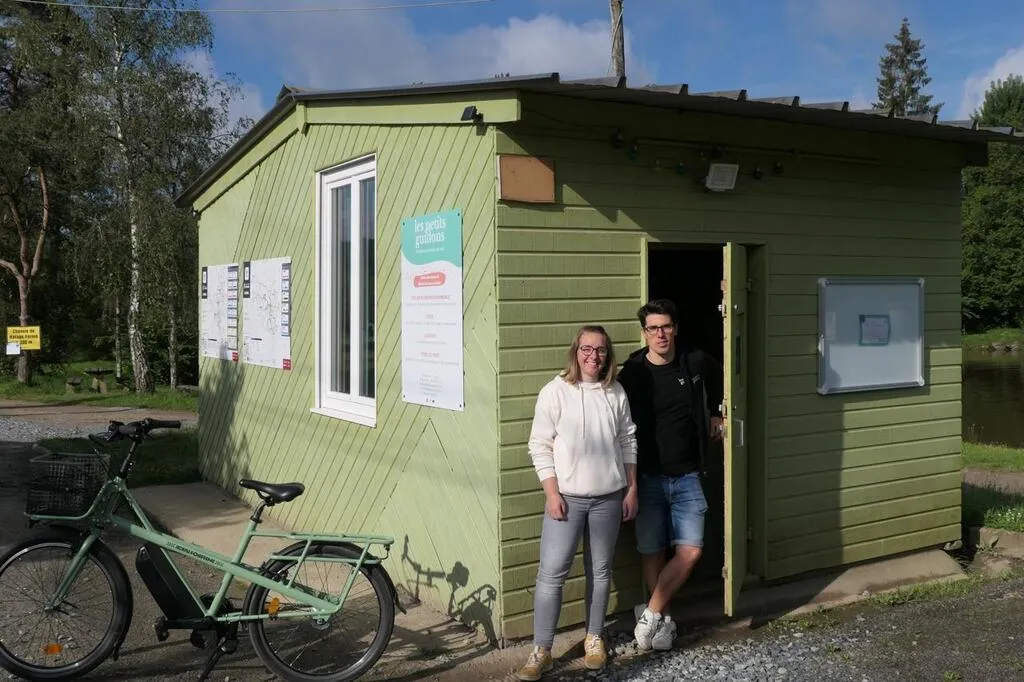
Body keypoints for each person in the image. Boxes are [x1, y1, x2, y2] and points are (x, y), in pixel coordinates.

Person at [516, 325, 639, 681]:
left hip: (608, 498)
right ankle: (542, 650)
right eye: (587, 349)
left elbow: (628, 440)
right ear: (576, 351)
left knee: (600, 572)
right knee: (551, 574)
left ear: (607, 355)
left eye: (600, 350)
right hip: (565, 500)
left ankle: (594, 637)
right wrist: (552, 493)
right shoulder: (555, 392)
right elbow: (539, 445)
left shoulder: (615, 392)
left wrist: (631, 489)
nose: (593, 356)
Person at [616, 298, 723, 652]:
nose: (660, 334)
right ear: (644, 333)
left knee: (690, 551)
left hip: (688, 475)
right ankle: (663, 624)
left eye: (666, 326)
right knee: (652, 550)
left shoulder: (694, 361)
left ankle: (649, 614)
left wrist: (718, 412)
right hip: (646, 477)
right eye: (653, 328)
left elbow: (724, 374)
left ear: (675, 328)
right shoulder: (632, 373)